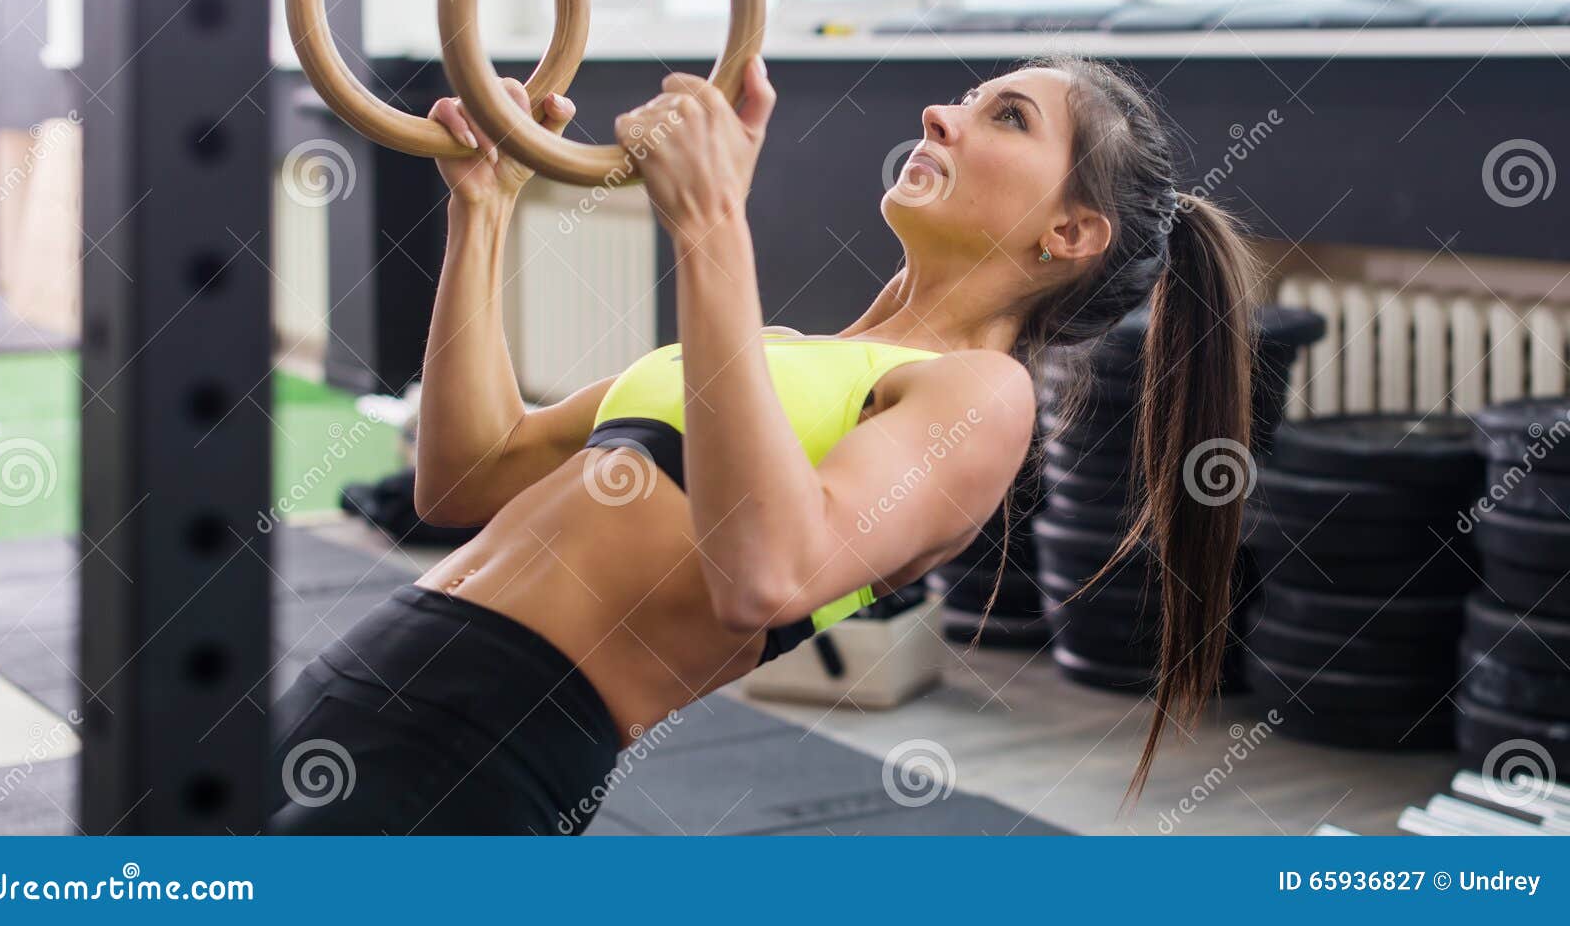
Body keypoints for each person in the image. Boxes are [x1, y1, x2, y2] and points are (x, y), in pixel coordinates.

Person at [268, 54, 1259, 834]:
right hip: (355, 675)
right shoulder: (770, 351)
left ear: (1071, 233)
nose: (939, 116)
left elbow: (771, 577)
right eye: (966, 96)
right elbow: (464, 477)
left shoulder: (979, 394)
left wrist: (710, 223)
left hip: (475, 750)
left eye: (1008, 117)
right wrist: (479, 210)